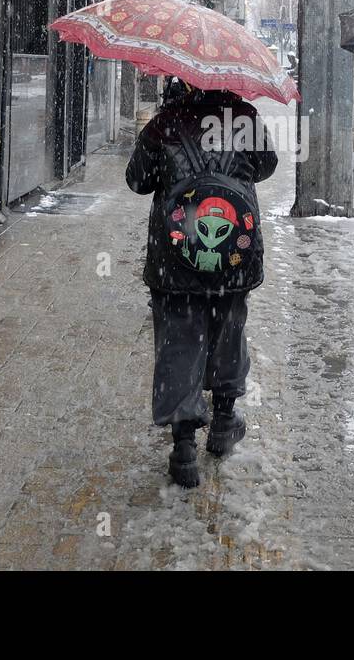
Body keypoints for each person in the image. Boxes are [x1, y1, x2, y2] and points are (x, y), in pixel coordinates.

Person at [126, 79, 278, 488]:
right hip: (233, 249)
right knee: (228, 330)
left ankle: (183, 449)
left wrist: (162, 134)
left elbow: (138, 180)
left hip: (175, 253)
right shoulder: (244, 117)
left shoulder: (166, 122)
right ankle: (225, 421)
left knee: (178, 340)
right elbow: (266, 168)